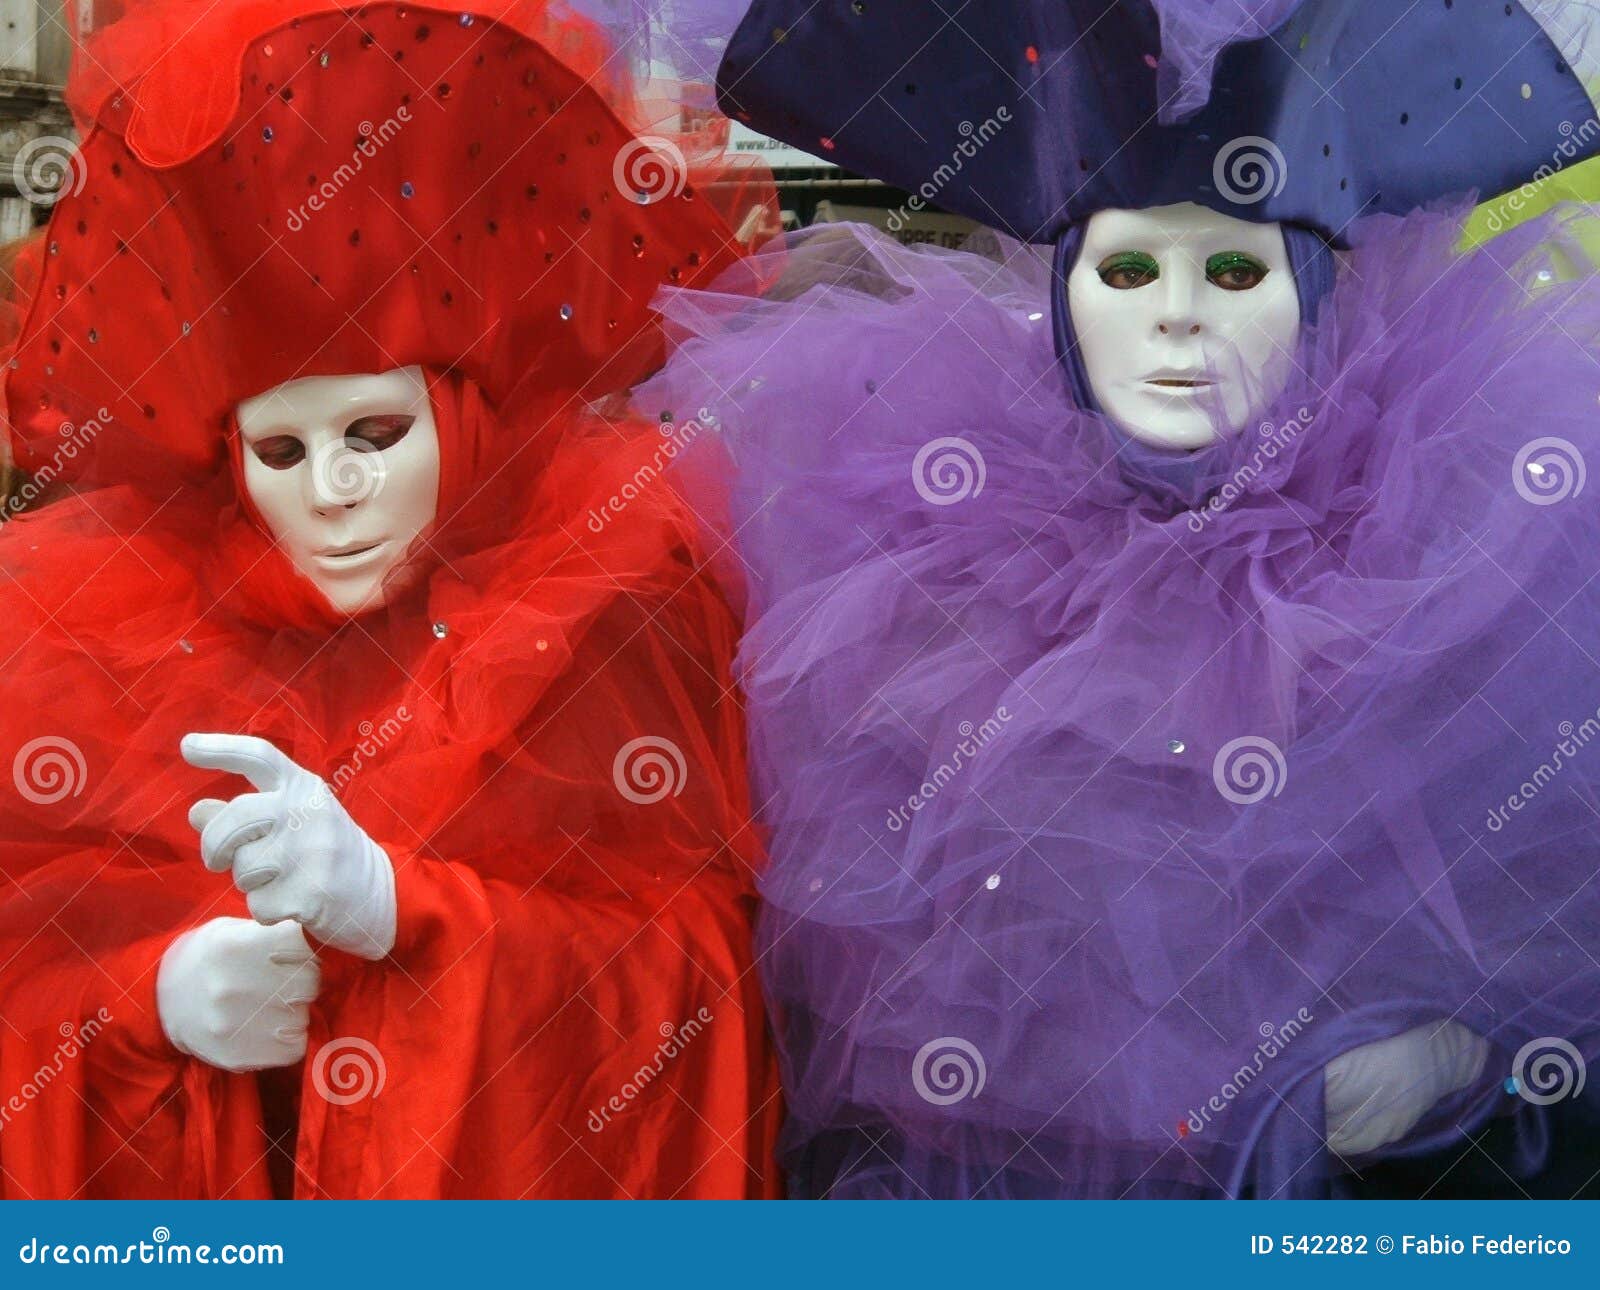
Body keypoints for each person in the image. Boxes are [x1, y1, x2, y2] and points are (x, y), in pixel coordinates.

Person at [639, 0, 1600, 1197]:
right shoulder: (908, 539)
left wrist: (1463, 1054)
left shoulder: (1473, 532)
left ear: (1315, 289)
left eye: (1237, 268)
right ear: (1062, 293)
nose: (1178, 315)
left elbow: (1539, 898)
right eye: (1130, 266)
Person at [0, 0, 779, 1199]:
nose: (338, 491)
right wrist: (145, 1003)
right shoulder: (85, 640)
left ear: (459, 412)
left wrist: (409, 915)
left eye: (375, 431)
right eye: (282, 452)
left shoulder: (602, 615)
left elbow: (694, 992)